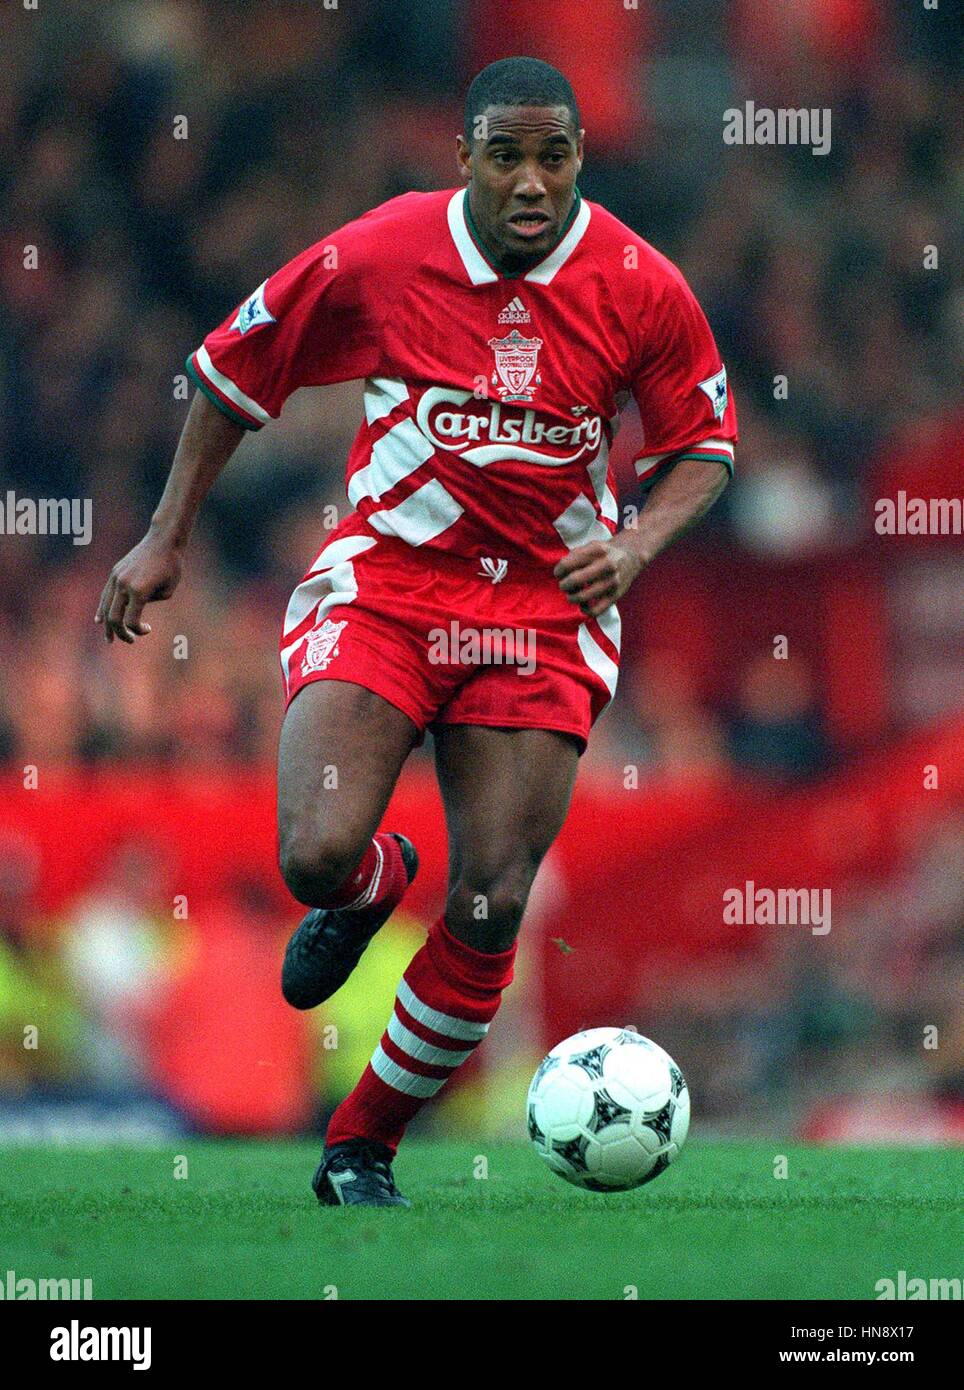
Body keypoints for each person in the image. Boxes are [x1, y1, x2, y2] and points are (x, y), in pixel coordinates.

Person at [96, 57, 737, 1207]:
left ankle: (360, 1147)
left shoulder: (641, 282)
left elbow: (705, 443)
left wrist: (635, 545)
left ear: (579, 156)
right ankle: (372, 876)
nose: (531, 181)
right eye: (507, 156)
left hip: (542, 612)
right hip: (390, 587)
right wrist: (164, 536)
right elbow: (230, 371)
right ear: (464, 159)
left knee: (492, 897)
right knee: (313, 854)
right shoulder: (385, 249)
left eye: (553, 156)